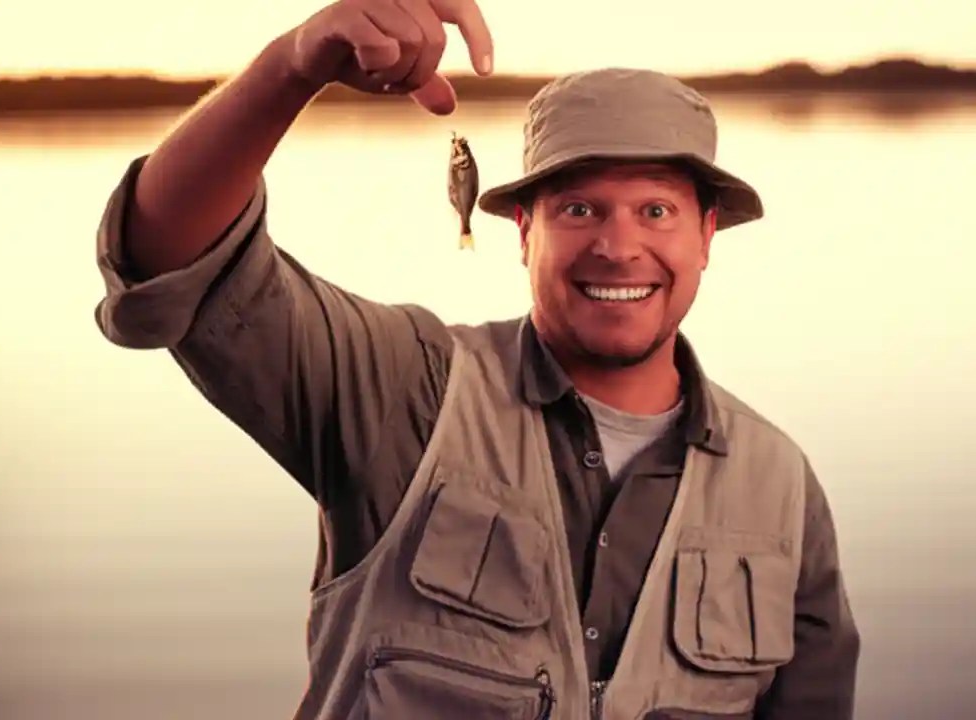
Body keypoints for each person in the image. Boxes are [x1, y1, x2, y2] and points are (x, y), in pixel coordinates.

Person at [91, 0, 861, 717]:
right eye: (578, 208)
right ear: (524, 231)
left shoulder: (781, 483)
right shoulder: (406, 388)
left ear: (706, 236)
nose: (618, 246)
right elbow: (173, 263)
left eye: (655, 210)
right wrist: (293, 65)